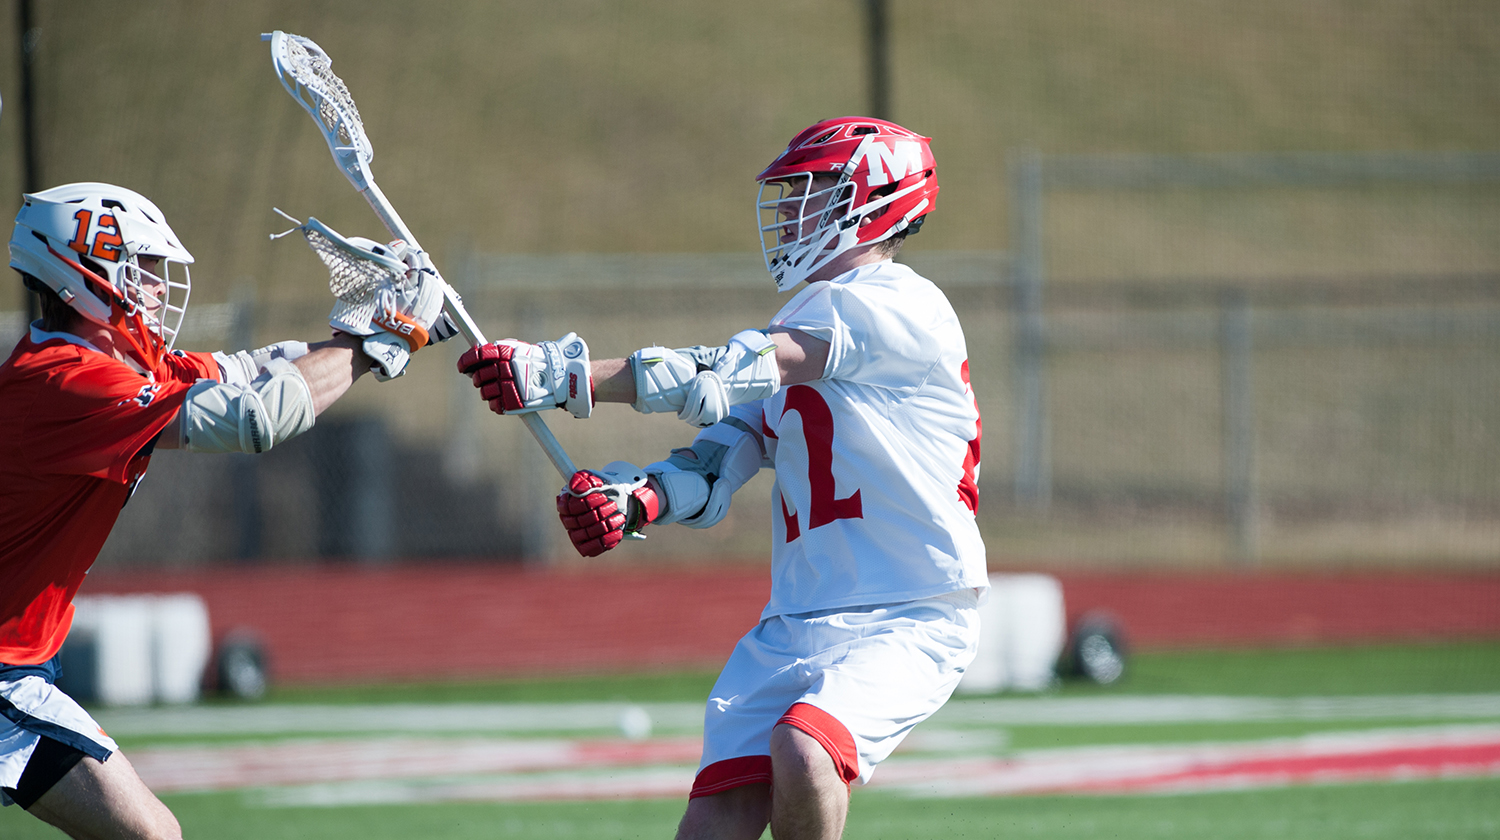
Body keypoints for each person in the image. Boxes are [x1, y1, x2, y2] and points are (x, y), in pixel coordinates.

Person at [458, 117, 986, 840]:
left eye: (818, 192)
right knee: (713, 820)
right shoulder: (806, 322)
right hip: (797, 616)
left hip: (907, 609)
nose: (796, 211)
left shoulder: (896, 305)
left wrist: (560, 375)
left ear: (877, 199)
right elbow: (715, 463)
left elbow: (719, 374)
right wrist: (635, 499)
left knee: (804, 751)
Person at [0, 182, 448, 839]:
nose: (156, 286)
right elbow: (257, 418)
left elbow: (250, 371)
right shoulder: (69, 381)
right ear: (83, 272)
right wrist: (379, 342)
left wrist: (363, 324)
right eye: (142, 269)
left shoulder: (106, 365)